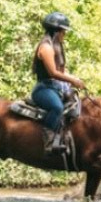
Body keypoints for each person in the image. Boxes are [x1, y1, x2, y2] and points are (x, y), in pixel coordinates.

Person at [32, 12, 87, 154]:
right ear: (56, 31)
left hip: (56, 87)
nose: (65, 35)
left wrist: (76, 80)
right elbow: (53, 73)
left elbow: (62, 71)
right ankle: (49, 142)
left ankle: (65, 140)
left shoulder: (56, 46)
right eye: (63, 31)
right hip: (44, 89)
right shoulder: (46, 47)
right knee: (57, 108)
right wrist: (72, 80)